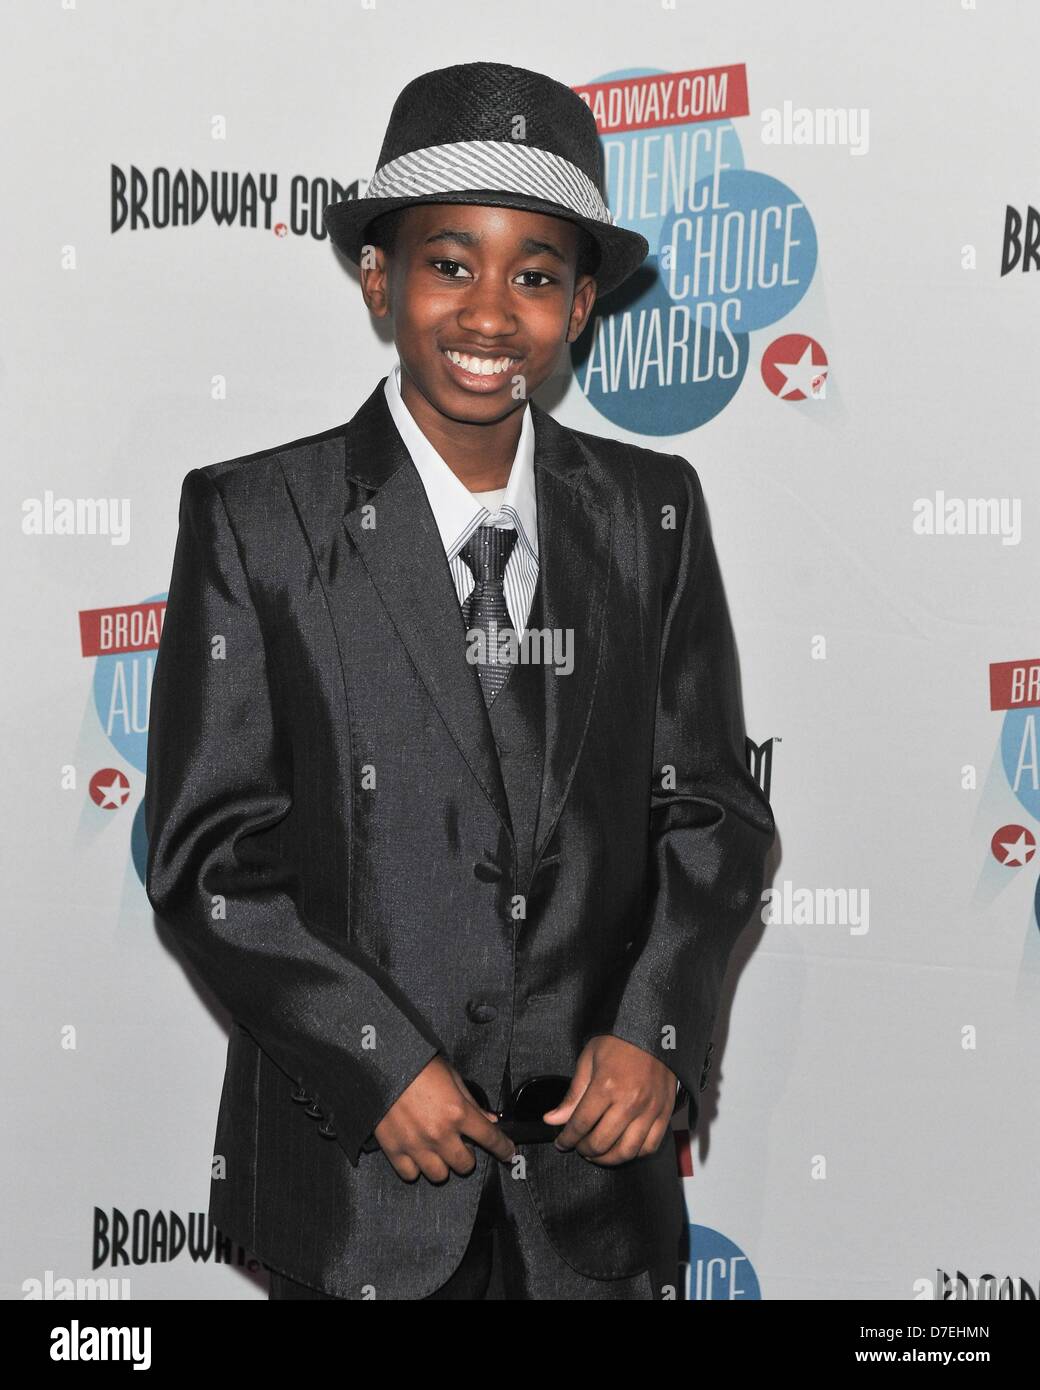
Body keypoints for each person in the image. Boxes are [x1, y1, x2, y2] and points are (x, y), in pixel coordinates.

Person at [144, 60, 776, 1301]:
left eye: (534, 274)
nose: (490, 313)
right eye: (449, 262)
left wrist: (656, 1031)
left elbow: (708, 808)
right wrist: (375, 1064)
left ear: (581, 306)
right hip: (355, 1176)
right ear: (378, 279)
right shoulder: (255, 518)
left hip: (592, 1187)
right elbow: (209, 857)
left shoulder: (654, 513)